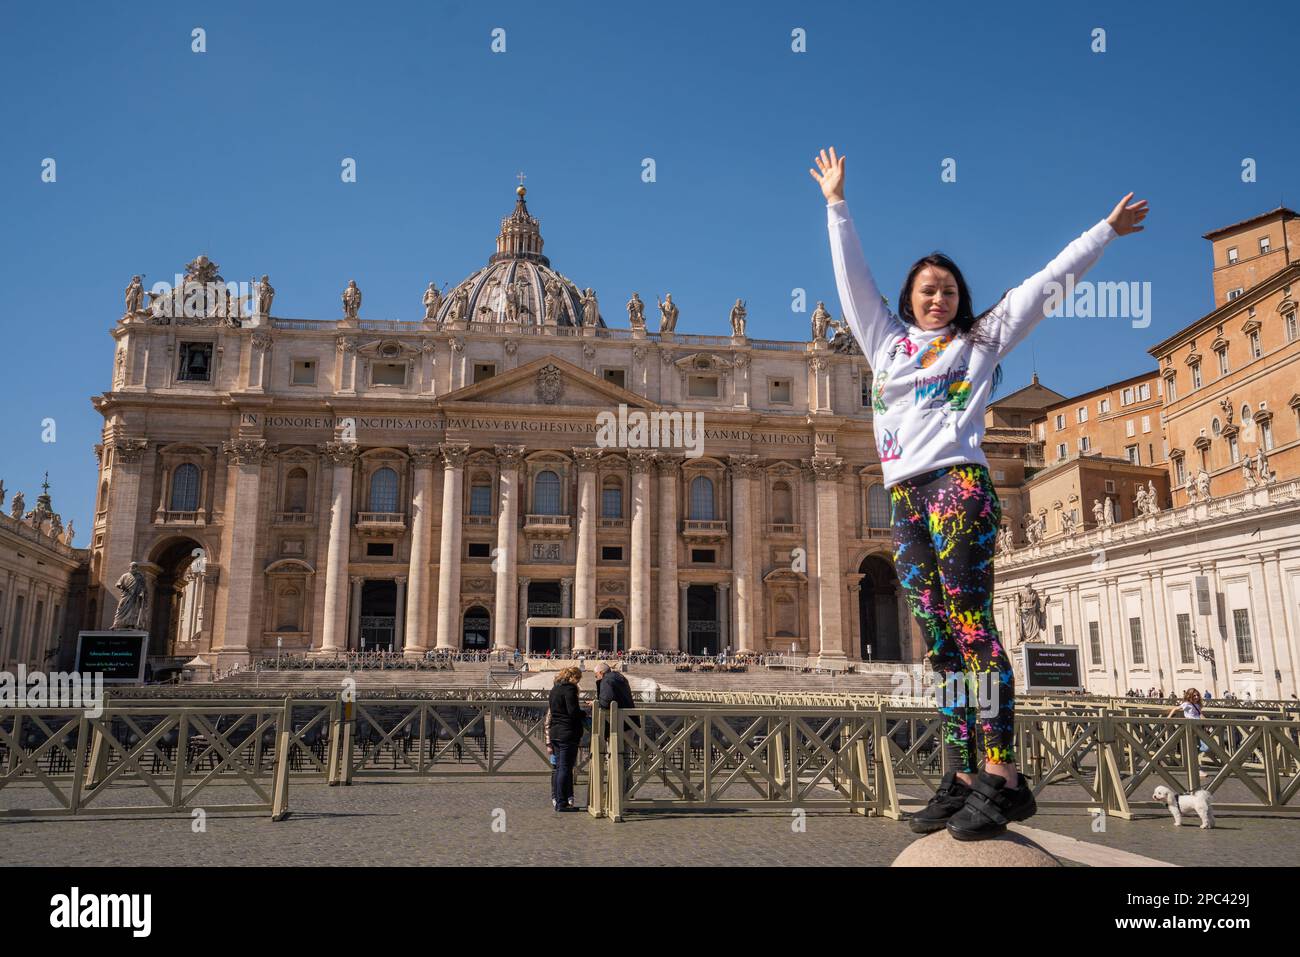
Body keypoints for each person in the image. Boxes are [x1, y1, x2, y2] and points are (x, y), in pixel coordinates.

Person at [812, 146, 1148, 841]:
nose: (940, 298)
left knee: (973, 630)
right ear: (908, 298)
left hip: (958, 490)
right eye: (928, 289)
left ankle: (1004, 775)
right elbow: (852, 280)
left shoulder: (981, 340)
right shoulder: (886, 345)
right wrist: (836, 204)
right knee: (938, 641)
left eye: (950, 290)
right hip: (903, 497)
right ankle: (964, 773)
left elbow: (1045, 283)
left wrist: (1104, 231)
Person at [546, 667, 585, 811]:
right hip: (567, 733)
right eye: (578, 679)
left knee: (558, 769)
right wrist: (584, 713)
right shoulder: (570, 689)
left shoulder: (554, 689)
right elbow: (572, 711)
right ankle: (562, 803)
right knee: (564, 768)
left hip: (555, 732)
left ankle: (557, 799)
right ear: (574, 678)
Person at [1166, 688, 1210, 754]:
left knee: (1206, 746)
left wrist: (1206, 722)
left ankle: (1195, 752)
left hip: (1199, 726)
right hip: (1190, 726)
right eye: (1194, 696)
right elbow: (1176, 708)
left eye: (1197, 695)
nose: (1196, 697)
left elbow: (1200, 714)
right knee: (1194, 744)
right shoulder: (1186, 704)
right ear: (1190, 696)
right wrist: (1169, 717)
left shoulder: (1197, 705)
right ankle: (1190, 753)